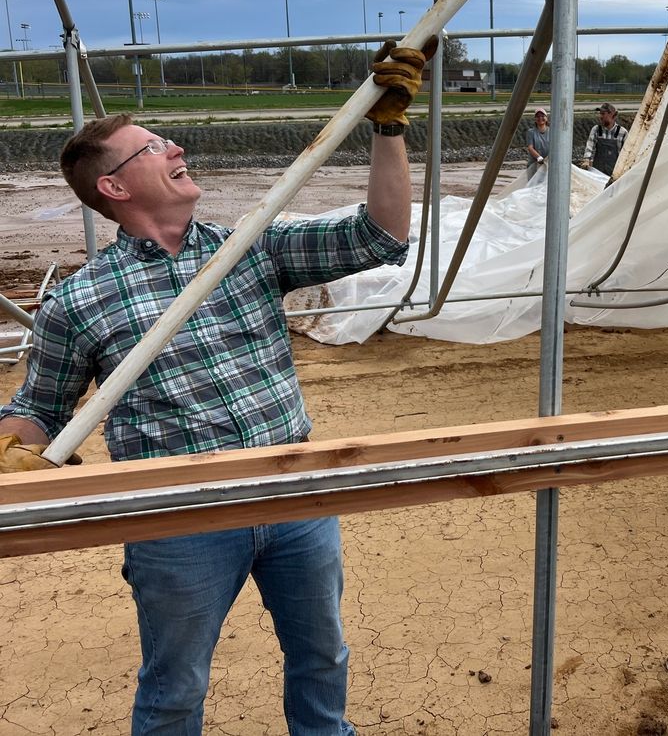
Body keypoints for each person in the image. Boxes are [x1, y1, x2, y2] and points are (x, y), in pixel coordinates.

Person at [0, 36, 436, 735]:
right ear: (113, 187)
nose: (175, 149)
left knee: (322, 657)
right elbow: (38, 410)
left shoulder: (250, 245)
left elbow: (380, 239)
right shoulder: (80, 301)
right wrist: (11, 444)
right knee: (175, 688)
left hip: (293, 491)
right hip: (180, 518)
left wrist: (387, 129)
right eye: (154, 148)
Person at [581, 101, 629, 177]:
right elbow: (589, 148)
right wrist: (587, 160)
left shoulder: (622, 132)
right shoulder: (596, 130)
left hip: (614, 175)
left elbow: (627, 154)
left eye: (603, 114)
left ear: (611, 114)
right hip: (597, 174)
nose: (600, 116)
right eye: (600, 113)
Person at [525, 107, 551, 176]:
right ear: (535, 119)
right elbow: (530, 148)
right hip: (534, 164)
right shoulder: (531, 132)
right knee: (533, 185)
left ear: (546, 118)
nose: (540, 118)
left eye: (542, 116)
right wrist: (539, 157)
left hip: (548, 164)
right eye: (538, 116)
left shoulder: (552, 131)